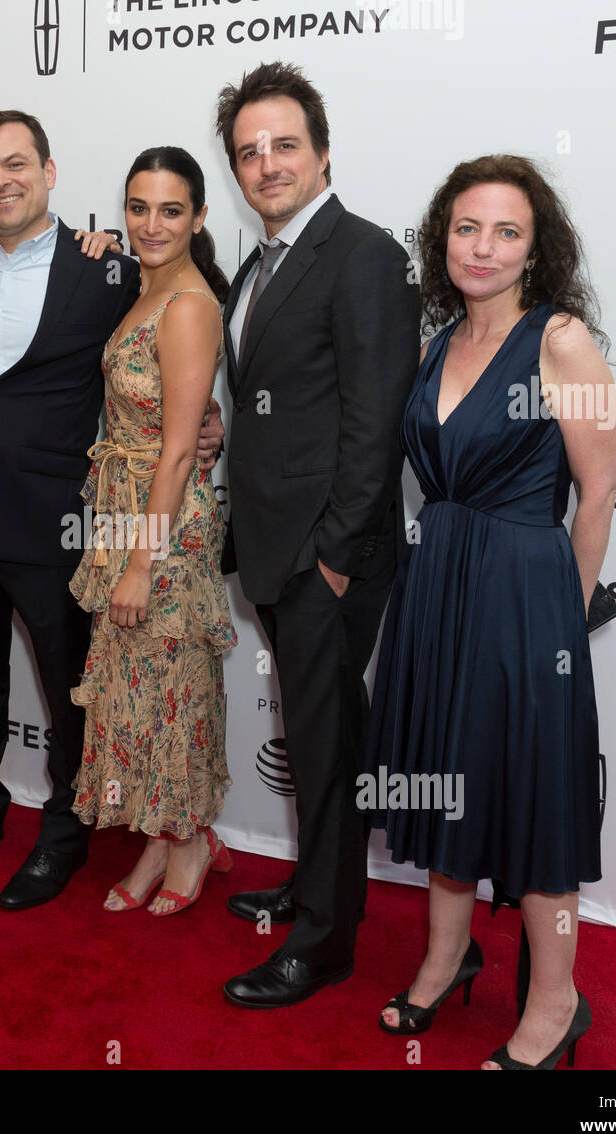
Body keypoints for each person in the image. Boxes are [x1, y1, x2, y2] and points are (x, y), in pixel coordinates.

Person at [0, 110, 224, 910]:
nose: (0, 182)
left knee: (70, 690)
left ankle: (64, 835)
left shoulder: (108, 271)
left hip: (59, 523)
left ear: (50, 173)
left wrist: (208, 424)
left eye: (16, 164)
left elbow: (168, 390)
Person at [366, 155, 616, 1069]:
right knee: (445, 778)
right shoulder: (438, 343)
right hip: (438, 587)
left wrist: (563, 617)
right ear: (443, 239)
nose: (483, 247)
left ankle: (555, 1005)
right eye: (467, 227)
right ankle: (445, 956)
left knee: (534, 802)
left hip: (522, 596)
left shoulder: (561, 342)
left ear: (535, 247)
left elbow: (597, 496)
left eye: (506, 231)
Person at [214, 62, 421, 1007]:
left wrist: (335, 557)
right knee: (313, 734)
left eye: (284, 144)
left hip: (327, 555)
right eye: (249, 151)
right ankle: (311, 889)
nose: (266, 163)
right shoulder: (262, 260)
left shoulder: (363, 253)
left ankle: (326, 944)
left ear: (323, 150)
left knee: (330, 747)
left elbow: (374, 417)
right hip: (270, 545)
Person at [68, 147, 237, 915]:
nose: (152, 224)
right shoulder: (144, 288)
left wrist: (142, 563)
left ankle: (190, 841)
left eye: (171, 210)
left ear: (200, 218)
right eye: (138, 208)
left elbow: (177, 449)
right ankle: (158, 836)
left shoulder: (190, 304)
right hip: (123, 508)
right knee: (133, 688)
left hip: (163, 526)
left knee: (171, 687)